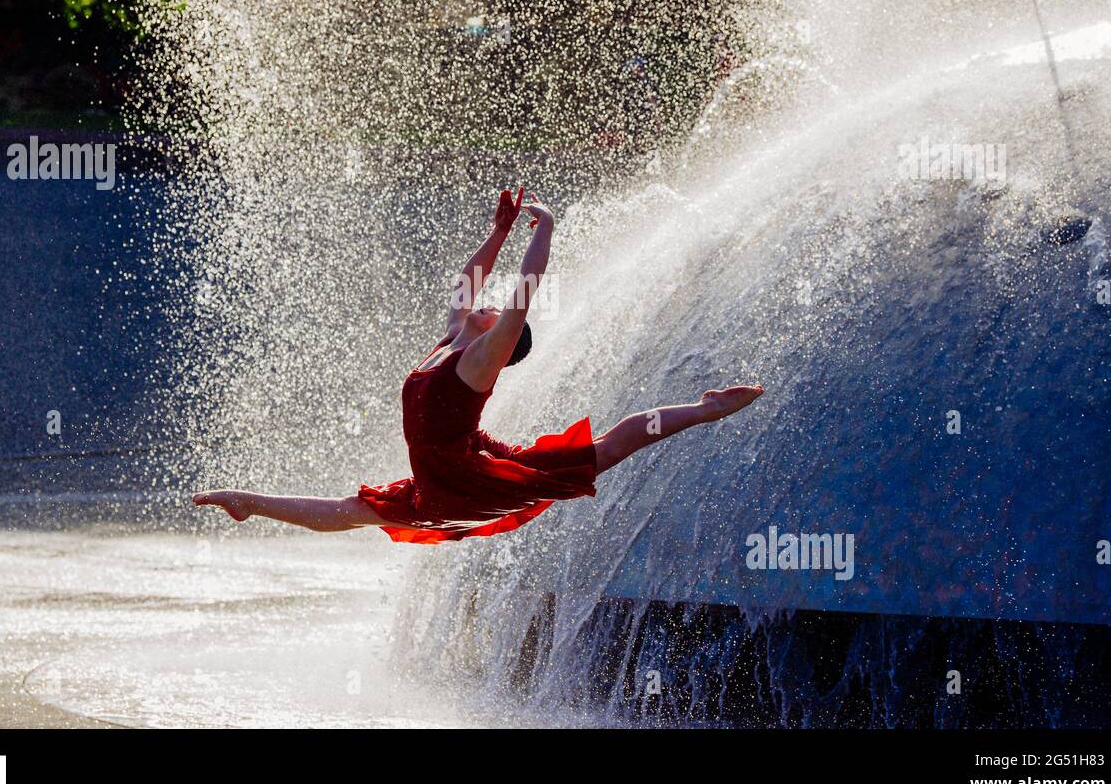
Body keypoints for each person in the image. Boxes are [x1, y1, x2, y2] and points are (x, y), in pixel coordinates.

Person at [194, 188, 763, 543]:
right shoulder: (451, 336)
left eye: (494, 314)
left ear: (500, 338)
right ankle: (251, 504)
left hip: (461, 480)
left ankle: (705, 410)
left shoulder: (475, 363)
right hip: (448, 468)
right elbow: (470, 280)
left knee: (609, 448)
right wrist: (499, 231)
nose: (484, 302)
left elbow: (523, 293)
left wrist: (546, 230)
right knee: (354, 512)